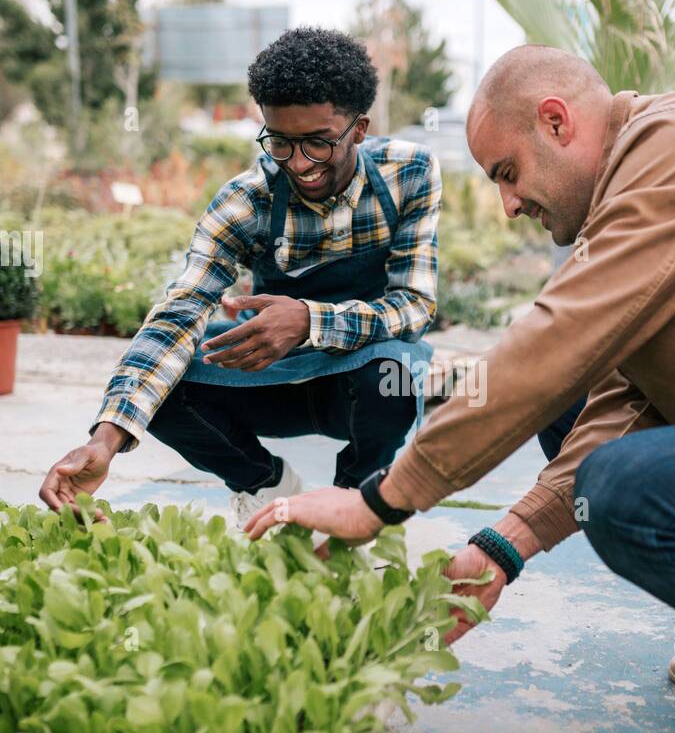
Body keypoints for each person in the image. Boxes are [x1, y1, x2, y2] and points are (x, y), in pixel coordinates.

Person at [244, 43, 675, 733]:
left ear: (557, 121)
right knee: (573, 418)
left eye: (508, 173)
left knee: (620, 489)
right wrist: (502, 548)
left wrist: (380, 501)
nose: (508, 205)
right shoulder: (640, 180)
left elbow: (556, 341)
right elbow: (627, 402)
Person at [39, 27, 440, 528]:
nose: (298, 164)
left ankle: (355, 508)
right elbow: (178, 312)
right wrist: (106, 439)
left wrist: (310, 321)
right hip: (277, 378)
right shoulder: (246, 200)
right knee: (161, 385)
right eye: (280, 142)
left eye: (317, 143)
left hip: (359, 385)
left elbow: (415, 305)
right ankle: (267, 485)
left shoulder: (410, 172)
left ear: (358, 129)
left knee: (395, 376)